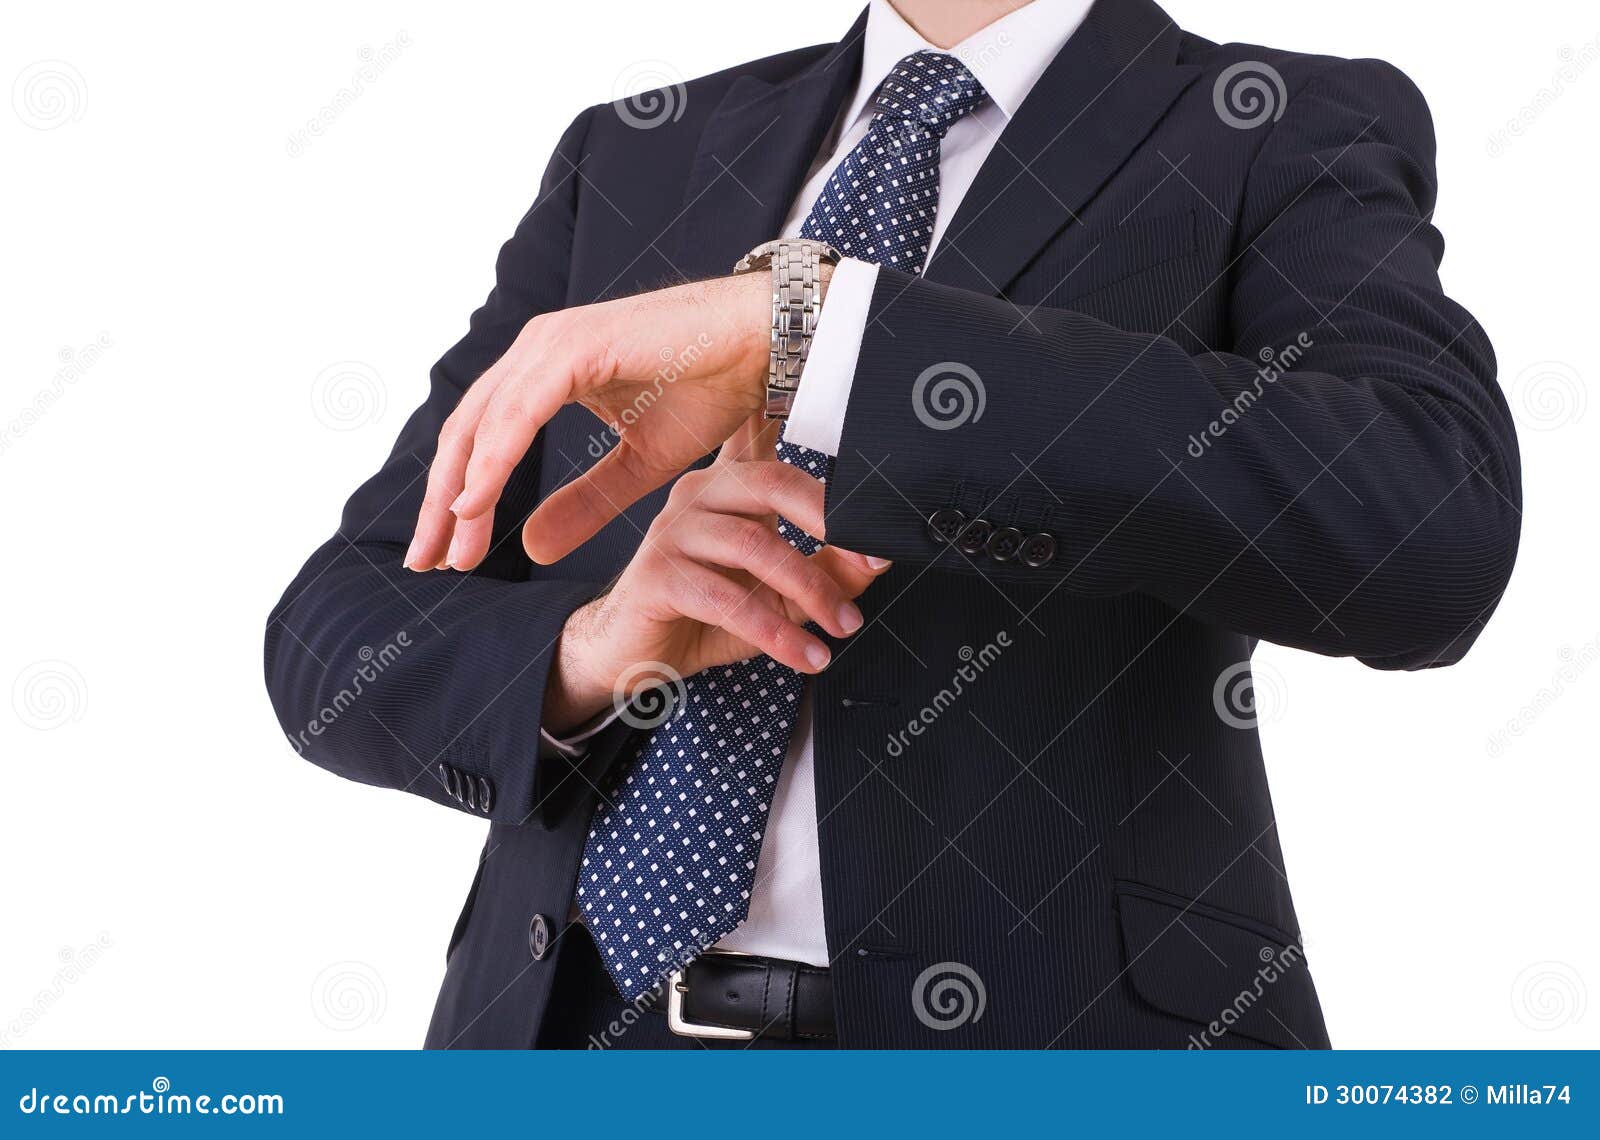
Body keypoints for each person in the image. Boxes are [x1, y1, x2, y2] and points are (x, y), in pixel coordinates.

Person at [265, 0, 1521, 1048]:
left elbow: (1425, 528)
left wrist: (820, 332)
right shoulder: (640, 152)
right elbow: (338, 624)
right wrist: (595, 649)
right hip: (562, 1032)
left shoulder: (1274, 125)